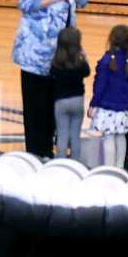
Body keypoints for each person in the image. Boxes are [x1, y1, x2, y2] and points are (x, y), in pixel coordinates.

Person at [12, 0, 88, 159]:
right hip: (38, 54)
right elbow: (25, 3)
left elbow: (83, 0)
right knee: (37, 109)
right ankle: (36, 155)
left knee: (52, 108)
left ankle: (49, 153)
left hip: (59, 56)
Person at [88, 25, 128, 170]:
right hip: (123, 108)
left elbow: (100, 86)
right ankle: (119, 167)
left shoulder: (106, 60)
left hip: (106, 107)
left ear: (111, 40)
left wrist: (93, 104)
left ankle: (109, 169)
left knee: (108, 137)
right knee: (120, 136)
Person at [49, 26, 91, 163]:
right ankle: (75, 163)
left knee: (62, 135)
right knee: (75, 136)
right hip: (77, 101)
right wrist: (84, 57)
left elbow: (51, 73)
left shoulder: (56, 63)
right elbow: (87, 72)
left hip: (61, 102)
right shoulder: (80, 63)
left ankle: (60, 163)